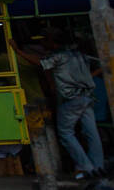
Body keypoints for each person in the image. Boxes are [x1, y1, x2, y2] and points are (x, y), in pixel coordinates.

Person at [12, 30, 105, 180]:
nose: (43, 43)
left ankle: (87, 167)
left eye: (46, 40)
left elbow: (41, 63)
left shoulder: (59, 55)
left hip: (71, 99)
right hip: (86, 96)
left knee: (66, 133)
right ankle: (98, 166)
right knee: (91, 133)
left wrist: (17, 51)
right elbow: (102, 65)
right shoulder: (79, 54)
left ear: (54, 42)